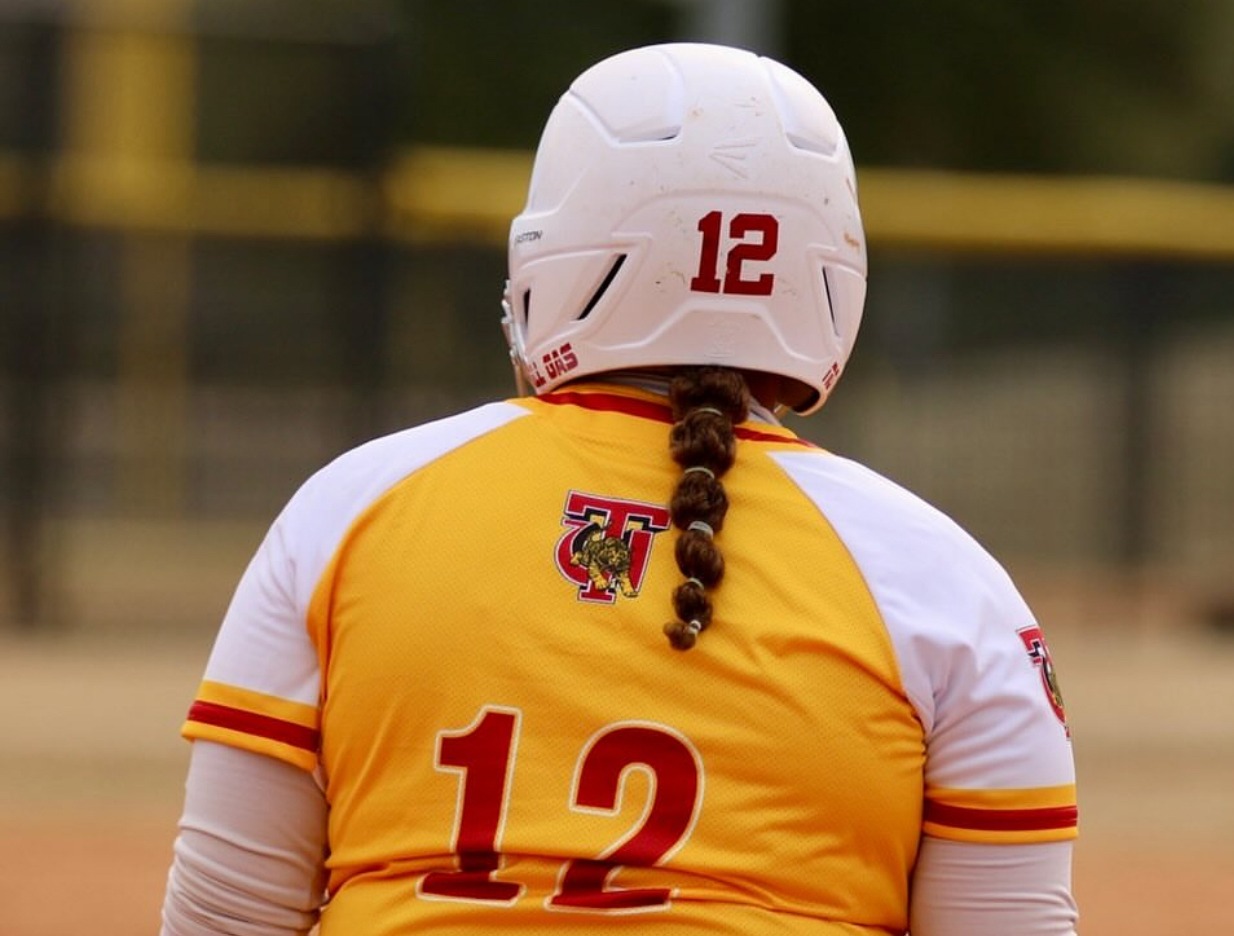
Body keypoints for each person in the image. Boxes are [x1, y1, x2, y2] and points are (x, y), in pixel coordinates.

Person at [160, 42, 1078, 935]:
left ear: (550, 258)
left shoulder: (352, 509)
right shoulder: (946, 584)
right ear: (832, 277)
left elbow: (223, 916)